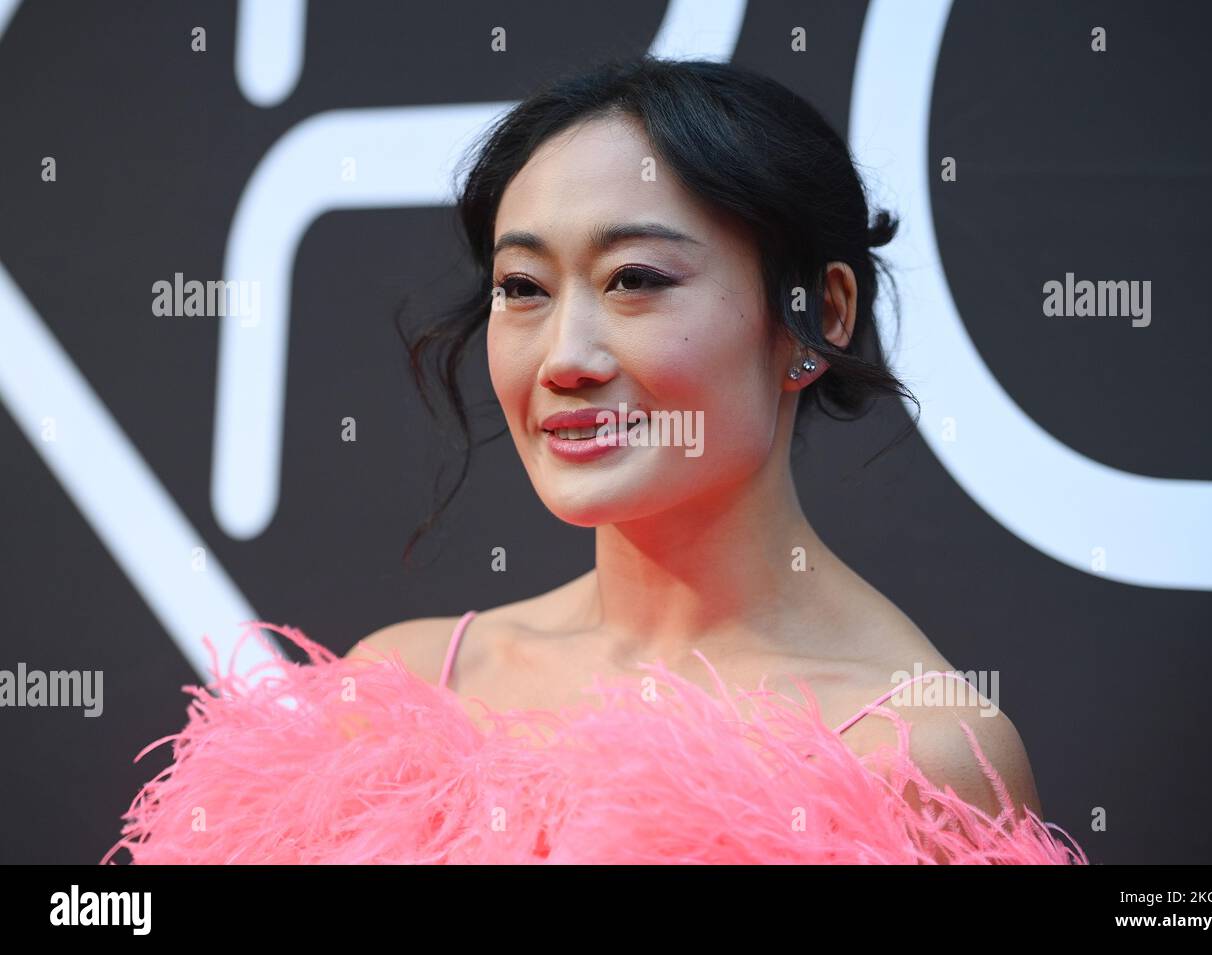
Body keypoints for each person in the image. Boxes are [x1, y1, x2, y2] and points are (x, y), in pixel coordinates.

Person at [103, 55, 1087, 865]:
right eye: (523, 287)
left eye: (635, 279)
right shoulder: (400, 692)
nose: (565, 358)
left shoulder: (916, 756)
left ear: (815, 316)